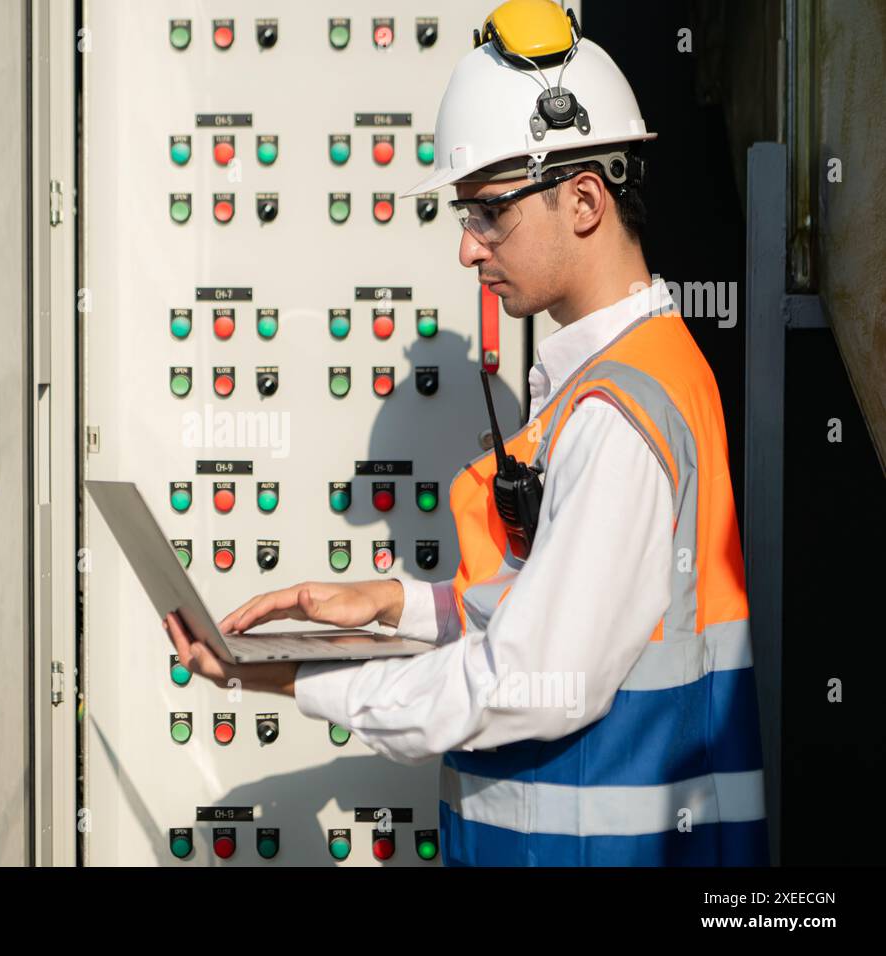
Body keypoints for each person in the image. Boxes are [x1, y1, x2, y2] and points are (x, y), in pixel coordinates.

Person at [165, 0, 767, 866]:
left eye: (489, 211)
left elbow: (528, 683)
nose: (468, 248)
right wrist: (394, 604)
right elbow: (569, 616)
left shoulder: (617, 416)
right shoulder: (626, 382)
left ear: (586, 200)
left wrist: (298, 677)